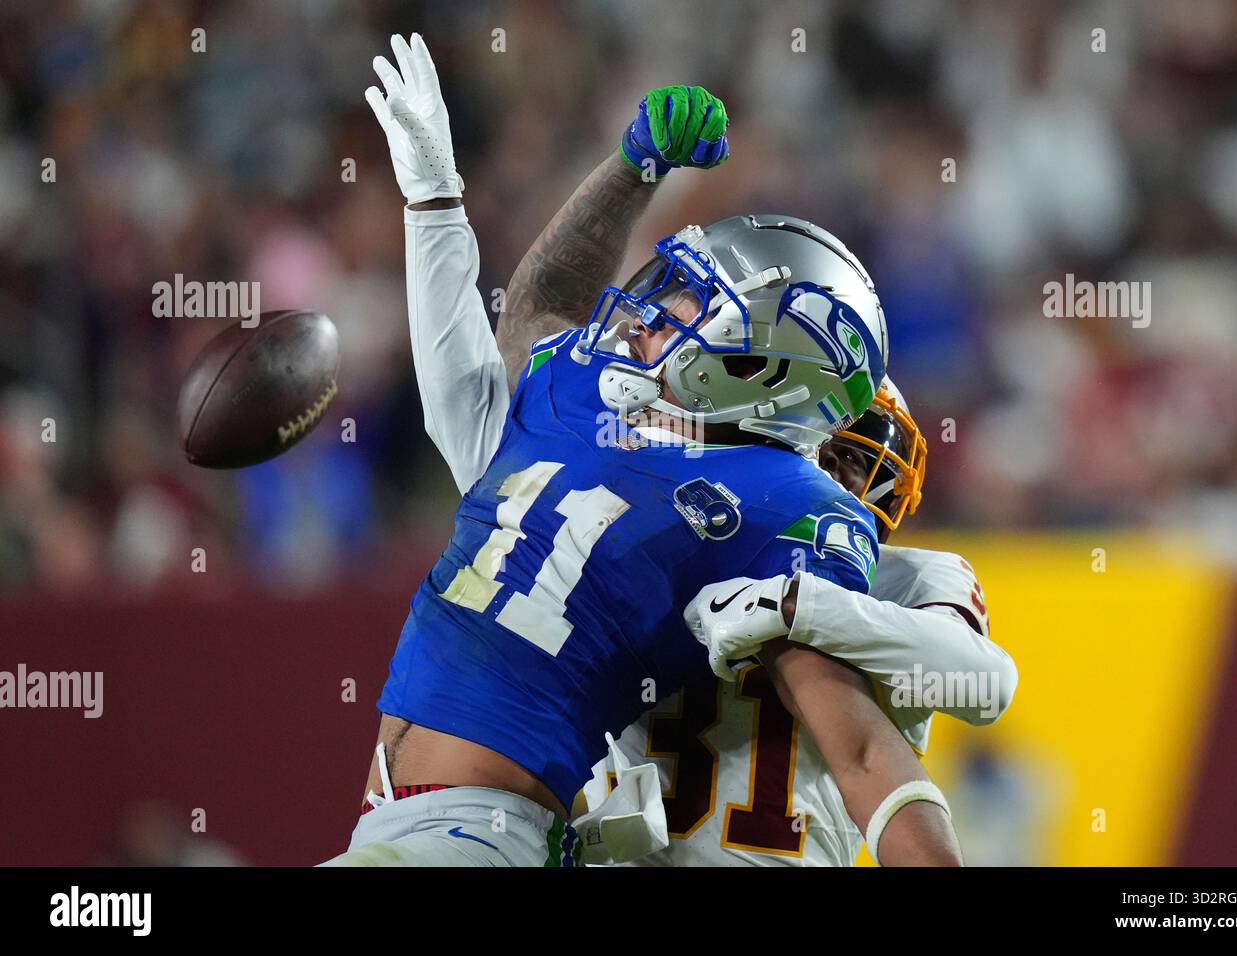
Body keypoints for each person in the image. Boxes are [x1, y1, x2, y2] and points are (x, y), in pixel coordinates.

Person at [323, 34, 960, 867]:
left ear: (765, 369)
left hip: (481, 832)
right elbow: (528, 324)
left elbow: (898, 723)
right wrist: (448, 200)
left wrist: (844, 620)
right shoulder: (595, 416)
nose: (653, 309)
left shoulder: (785, 512)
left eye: (691, 299)